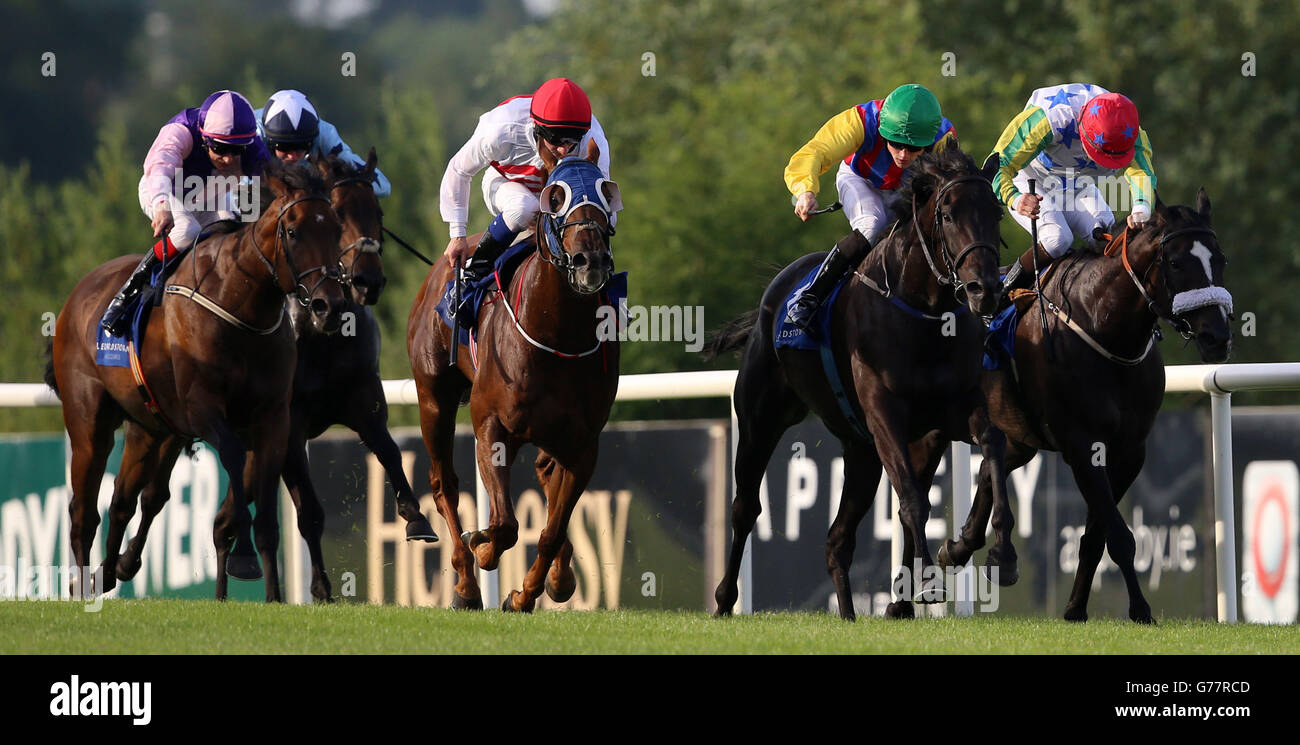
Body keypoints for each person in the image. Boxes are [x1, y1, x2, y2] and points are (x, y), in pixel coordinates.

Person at [784, 83, 957, 329]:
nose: (903, 155)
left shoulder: (944, 137)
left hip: (907, 189)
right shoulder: (861, 120)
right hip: (860, 178)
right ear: (883, 130)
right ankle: (810, 297)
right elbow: (816, 151)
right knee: (871, 226)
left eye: (914, 147)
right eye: (895, 143)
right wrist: (805, 190)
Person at [102, 90, 272, 336]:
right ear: (204, 137)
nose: (228, 158)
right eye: (220, 148)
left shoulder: (253, 147)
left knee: (240, 231)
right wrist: (161, 205)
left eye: (236, 151)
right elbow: (158, 171)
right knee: (187, 230)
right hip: (163, 190)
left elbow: (267, 191)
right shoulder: (180, 130)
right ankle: (129, 291)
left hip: (209, 196)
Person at [988, 83, 1156, 300]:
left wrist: (1141, 208)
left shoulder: (1129, 129)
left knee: (1110, 243)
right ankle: (999, 297)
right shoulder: (1049, 118)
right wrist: (1015, 198)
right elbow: (997, 165)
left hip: (1078, 185)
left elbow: (1142, 173)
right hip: (1031, 180)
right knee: (1057, 239)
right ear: (1082, 129)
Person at [438, 77, 613, 287]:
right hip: (505, 183)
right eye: (556, 140)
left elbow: (603, 198)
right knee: (524, 207)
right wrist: (457, 234)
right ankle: (473, 275)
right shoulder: (500, 130)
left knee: (606, 222)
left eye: (573, 140)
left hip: (563, 196)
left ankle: (610, 298)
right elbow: (458, 170)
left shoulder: (594, 137)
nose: (564, 150)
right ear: (538, 128)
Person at [256, 88, 391, 197]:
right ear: (270, 142)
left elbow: (383, 187)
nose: (292, 156)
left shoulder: (325, 135)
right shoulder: (253, 135)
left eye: (301, 147)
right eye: (284, 147)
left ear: (311, 142)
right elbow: (245, 208)